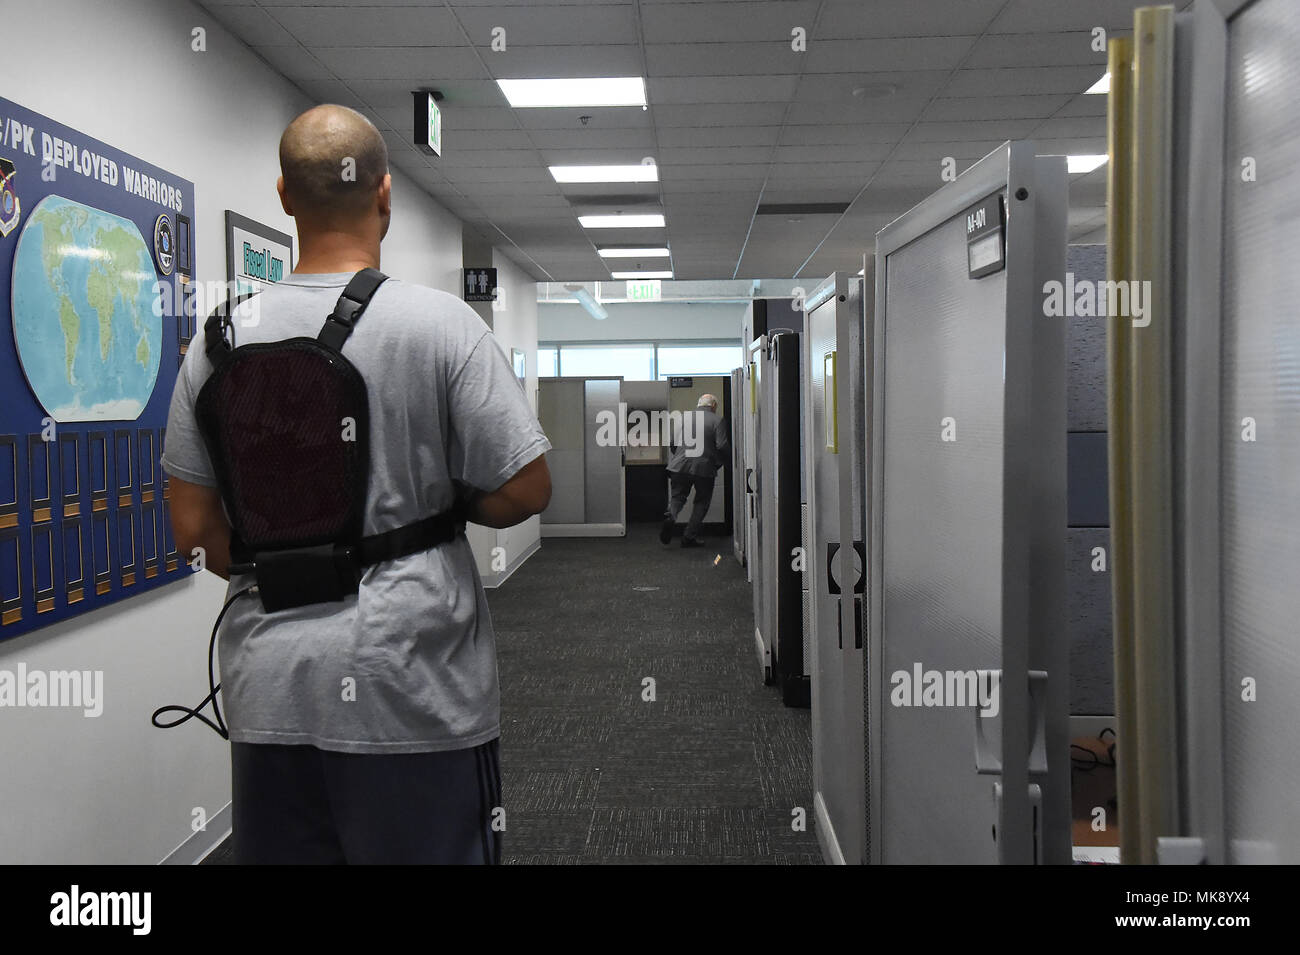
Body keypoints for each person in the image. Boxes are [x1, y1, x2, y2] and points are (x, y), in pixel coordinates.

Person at [161, 104, 552, 865]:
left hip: (269, 690)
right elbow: (526, 488)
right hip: (409, 687)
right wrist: (446, 502)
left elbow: (193, 529)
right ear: (384, 195)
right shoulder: (440, 326)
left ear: (283, 195)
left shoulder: (218, 339)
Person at [660, 394, 730, 548]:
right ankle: (689, 537)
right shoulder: (717, 420)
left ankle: (671, 515)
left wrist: (679, 457)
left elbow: (672, 442)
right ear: (713, 406)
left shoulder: (683, 418)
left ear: (699, 404)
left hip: (679, 466)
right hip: (704, 468)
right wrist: (726, 461)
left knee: (678, 497)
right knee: (702, 502)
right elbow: (721, 445)